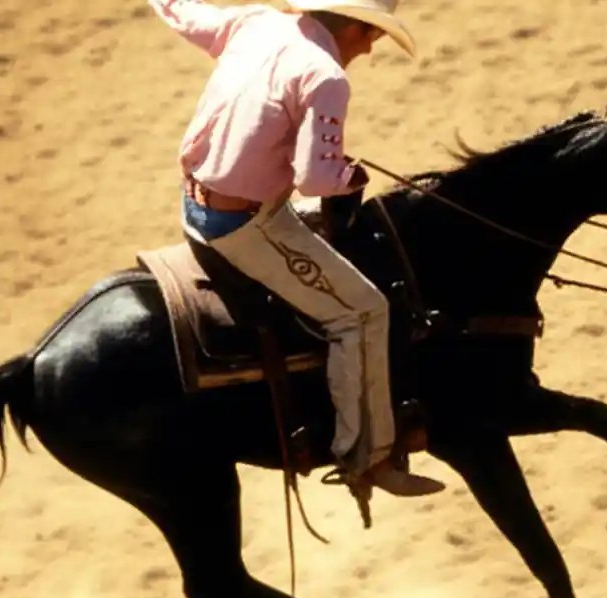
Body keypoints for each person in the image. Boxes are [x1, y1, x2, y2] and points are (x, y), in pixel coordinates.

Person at [148, 0, 445, 498]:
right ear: (354, 27)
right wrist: (351, 175)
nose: (370, 50)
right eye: (372, 36)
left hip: (195, 204)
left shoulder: (256, 23)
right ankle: (366, 455)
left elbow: (186, 16)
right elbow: (315, 178)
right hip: (244, 224)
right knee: (364, 311)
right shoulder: (326, 77)